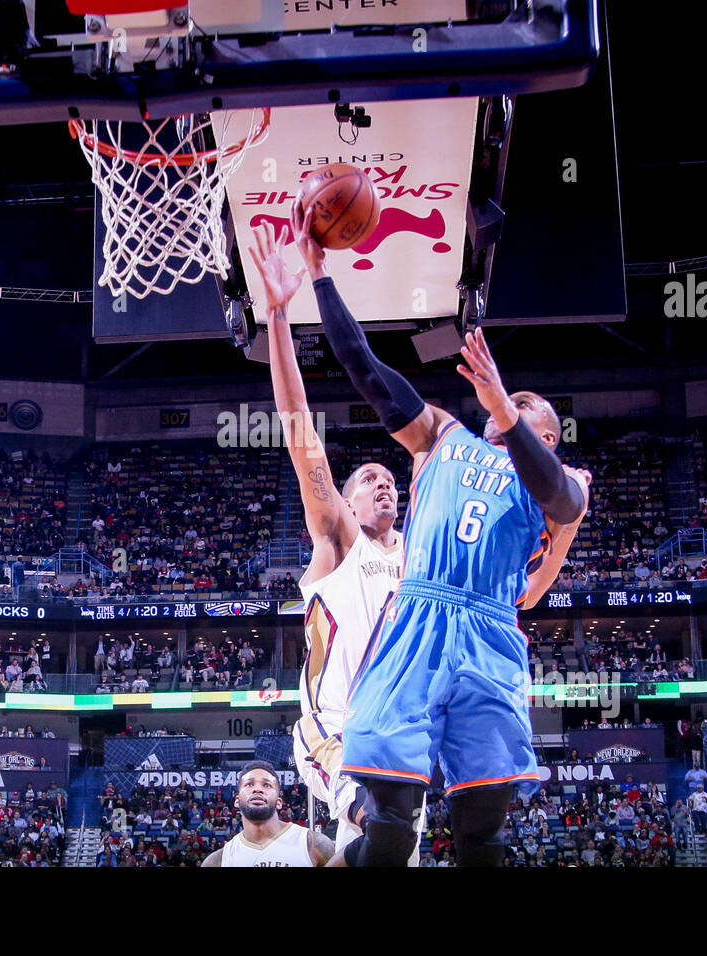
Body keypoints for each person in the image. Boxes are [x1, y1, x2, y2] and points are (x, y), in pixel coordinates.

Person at [267, 209, 591, 867]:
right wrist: (320, 276)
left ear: (549, 435)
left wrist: (508, 412)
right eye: (504, 406)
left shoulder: (559, 479)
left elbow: (560, 498)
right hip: (419, 619)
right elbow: (366, 368)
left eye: (527, 415)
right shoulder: (443, 434)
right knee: (389, 829)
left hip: (488, 635)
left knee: (483, 835)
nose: (505, 408)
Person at [247, 221, 414, 861]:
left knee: (387, 850)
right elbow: (299, 434)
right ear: (343, 499)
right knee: (376, 818)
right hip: (334, 727)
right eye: (368, 478)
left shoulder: (415, 557)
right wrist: (280, 316)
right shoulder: (341, 539)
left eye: (389, 479)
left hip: (398, 729)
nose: (383, 484)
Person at [200, 761, 334, 867]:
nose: (257, 789)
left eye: (267, 785)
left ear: (279, 802)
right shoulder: (218, 861)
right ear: (236, 801)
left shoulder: (313, 844)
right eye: (249, 784)